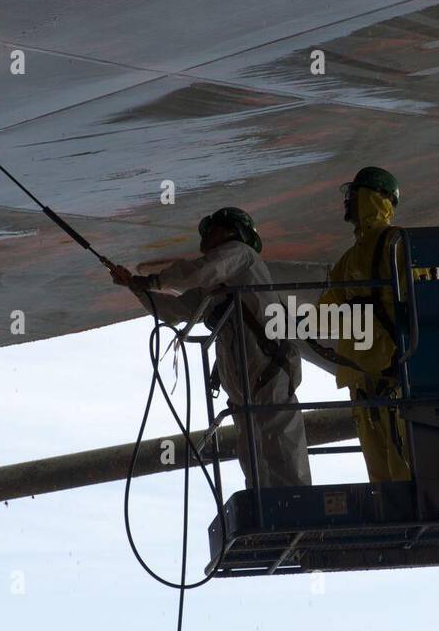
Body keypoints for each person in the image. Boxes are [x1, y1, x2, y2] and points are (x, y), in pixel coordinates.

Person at [111, 207, 311, 488]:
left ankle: (297, 509)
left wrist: (154, 280)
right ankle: (266, 513)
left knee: (281, 447)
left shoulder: (241, 255)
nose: (206, 237)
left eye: (213, 229)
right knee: (253, 454)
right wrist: (137, 288)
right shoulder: (217, 288)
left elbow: (203, 270)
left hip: (268, 373)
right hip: (245, 383)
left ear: (233, 232)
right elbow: (177, 310)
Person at [318, 166, 413, 482]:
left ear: (375, 197)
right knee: (381, 466)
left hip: (390, 372)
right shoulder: (351, 257)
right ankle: (395, 519)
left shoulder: (396, 244)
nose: (348, 201)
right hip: (364, 377)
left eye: (354, 194)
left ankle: (412, 517)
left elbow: (417, 302)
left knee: (402, 458)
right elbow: (326, 311)